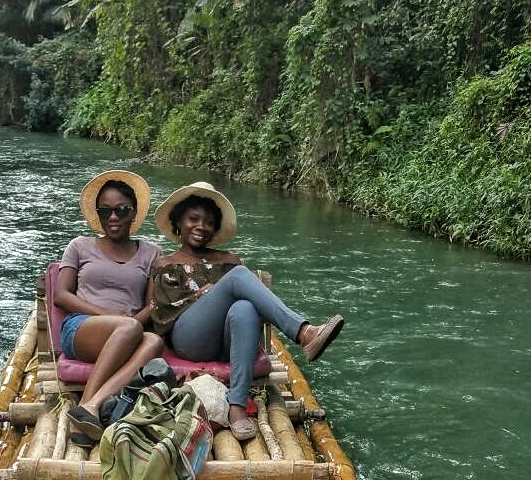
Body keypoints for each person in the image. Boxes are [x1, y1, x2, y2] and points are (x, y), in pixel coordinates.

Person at [152, 182, 344, 441]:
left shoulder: (229, 260)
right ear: (178, 222)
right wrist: (201, 297)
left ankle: (237, 406)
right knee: (239, 276)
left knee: (244, 307)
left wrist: (221, 291)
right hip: (189, 340)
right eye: (193, 219)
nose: (201, 226)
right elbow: (162, 317)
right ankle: (303, 333)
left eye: (208, 222)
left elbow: (258, 310)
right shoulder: (166, 264)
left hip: (228, 341)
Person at [54, 169, 164, 442]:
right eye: (105, 212)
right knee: (130, 328)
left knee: (153, 341)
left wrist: (132, 322)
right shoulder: (79, 246)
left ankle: (90, 405)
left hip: (129, 331)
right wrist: (111, 316)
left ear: (133, 212)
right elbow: (61, 295)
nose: (113, 218)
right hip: (82, 328)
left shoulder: (152, 253)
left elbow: (153, 303)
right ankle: (88, 409)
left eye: (121, 210)